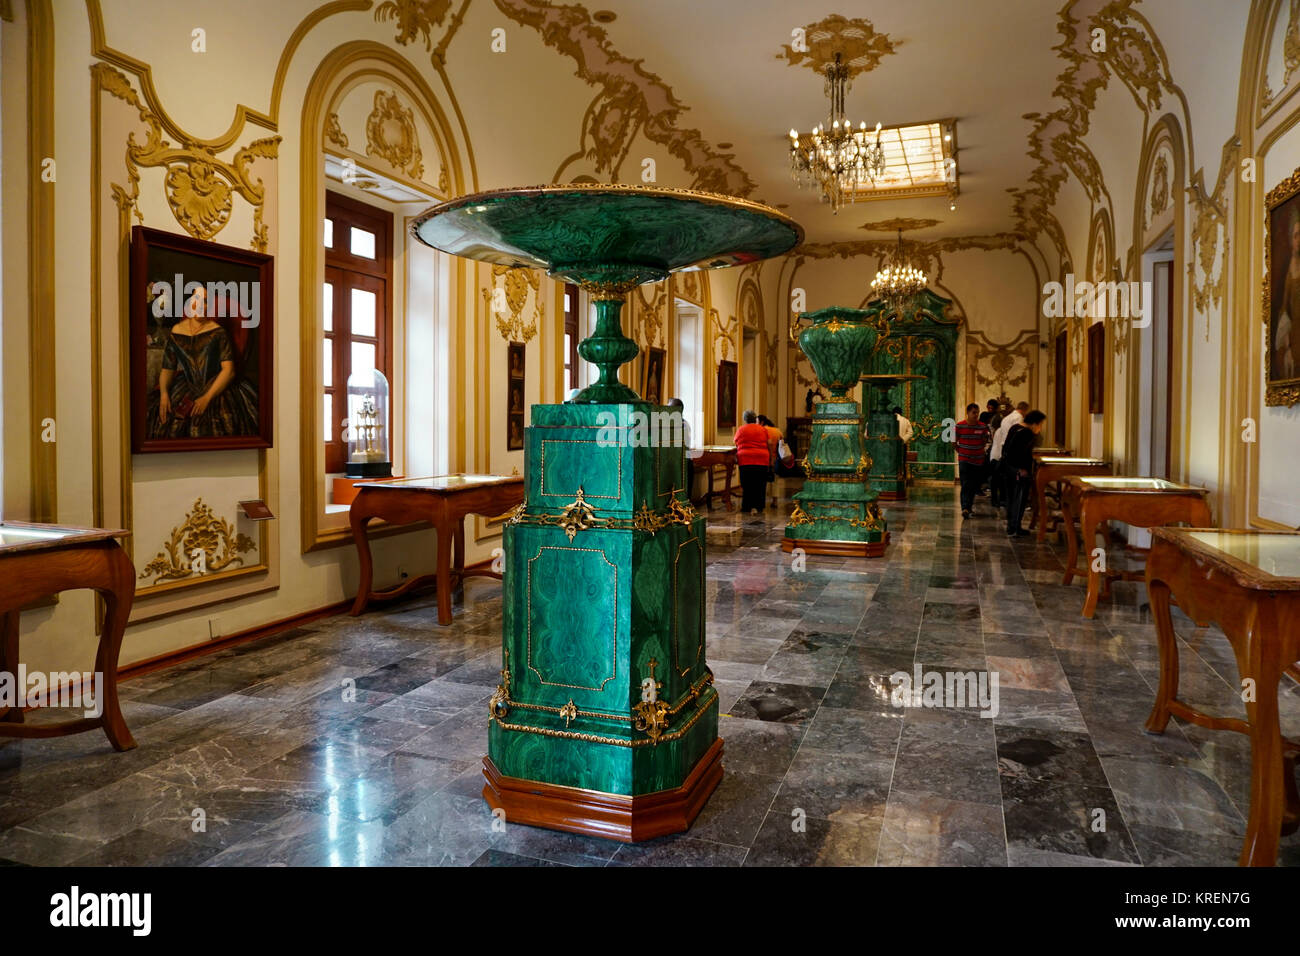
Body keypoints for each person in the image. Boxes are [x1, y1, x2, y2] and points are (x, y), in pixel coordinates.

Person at [148, 287, 258, 439]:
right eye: (196, 299)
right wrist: (164, 394)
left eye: (205, 301)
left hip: (216, 388)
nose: (200, 305)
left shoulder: (218, 332)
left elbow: (229, 371)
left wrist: (207, 398)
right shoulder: (177, 331)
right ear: (189, 304)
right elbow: (168, 369)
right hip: (186, 387)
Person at [1003, 410, 1047, 536]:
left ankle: (1011, 526)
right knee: (1020, 498)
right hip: (1020, 470)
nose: (1040, 427)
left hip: (1009, 468)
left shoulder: (1015, 428)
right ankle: (1016, 527)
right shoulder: (1027, 433)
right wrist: (1022, 469)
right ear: (1034, 423)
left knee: (1011, 498)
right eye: (1040, 424)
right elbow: (1021, 452)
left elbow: (1006, 448)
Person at [989, 401, 1028, 511]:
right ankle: (1005, 501)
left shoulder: (1004, 423)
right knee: (1005, 481)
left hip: (998, 455)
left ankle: (999, 500)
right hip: (1003, 455)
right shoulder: (1018, 419)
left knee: (999, 480)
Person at [955, 403, 991, 518]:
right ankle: (965, 508)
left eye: (977, 412)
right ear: (968, 413)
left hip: (978, 461)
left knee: (974, 485)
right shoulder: (960, 426)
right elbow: (953, 442)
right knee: (965, 484)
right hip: (964, 460)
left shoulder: (982, 426)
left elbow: (984, 440)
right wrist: (962, 451)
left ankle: (969, 507)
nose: (976, 415)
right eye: (974, 412)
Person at [734, 409, 771, 516]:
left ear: (745, 419)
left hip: (745, 459)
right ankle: (759, 505)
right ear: (755, 419)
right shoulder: (762, 429)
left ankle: (747, 506)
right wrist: (771, 459)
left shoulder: (741, 429)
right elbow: (768, 443)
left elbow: (736, 442)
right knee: (760, 484)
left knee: (747, 484)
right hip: (762, 459)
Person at [666, 397, 699, 497]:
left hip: (683, 463)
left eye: (669, 408)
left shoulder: (683, 425)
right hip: (675, 463)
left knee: (683, 495)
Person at [979, 399, 1003, 503]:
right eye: (988, 407)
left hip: (992, 447)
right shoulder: (986, 418)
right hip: (987, 446)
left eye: (991, 408)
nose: (989, 410)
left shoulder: (997, 418)